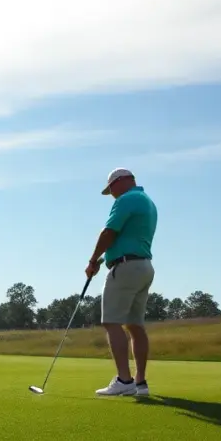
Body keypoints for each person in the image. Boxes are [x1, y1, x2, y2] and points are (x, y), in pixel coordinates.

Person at [85, 168, 157, 396]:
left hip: (125, 267)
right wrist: (103, 258)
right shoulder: (147, 201)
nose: (112, 195)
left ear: (122, 182)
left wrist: (93, 260)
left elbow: (109, 232)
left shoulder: (127, 199)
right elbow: (124, 236)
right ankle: (140, 383)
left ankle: (124, 381)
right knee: (135, 325)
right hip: (144, 266)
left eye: (111, 189)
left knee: (111, 322)